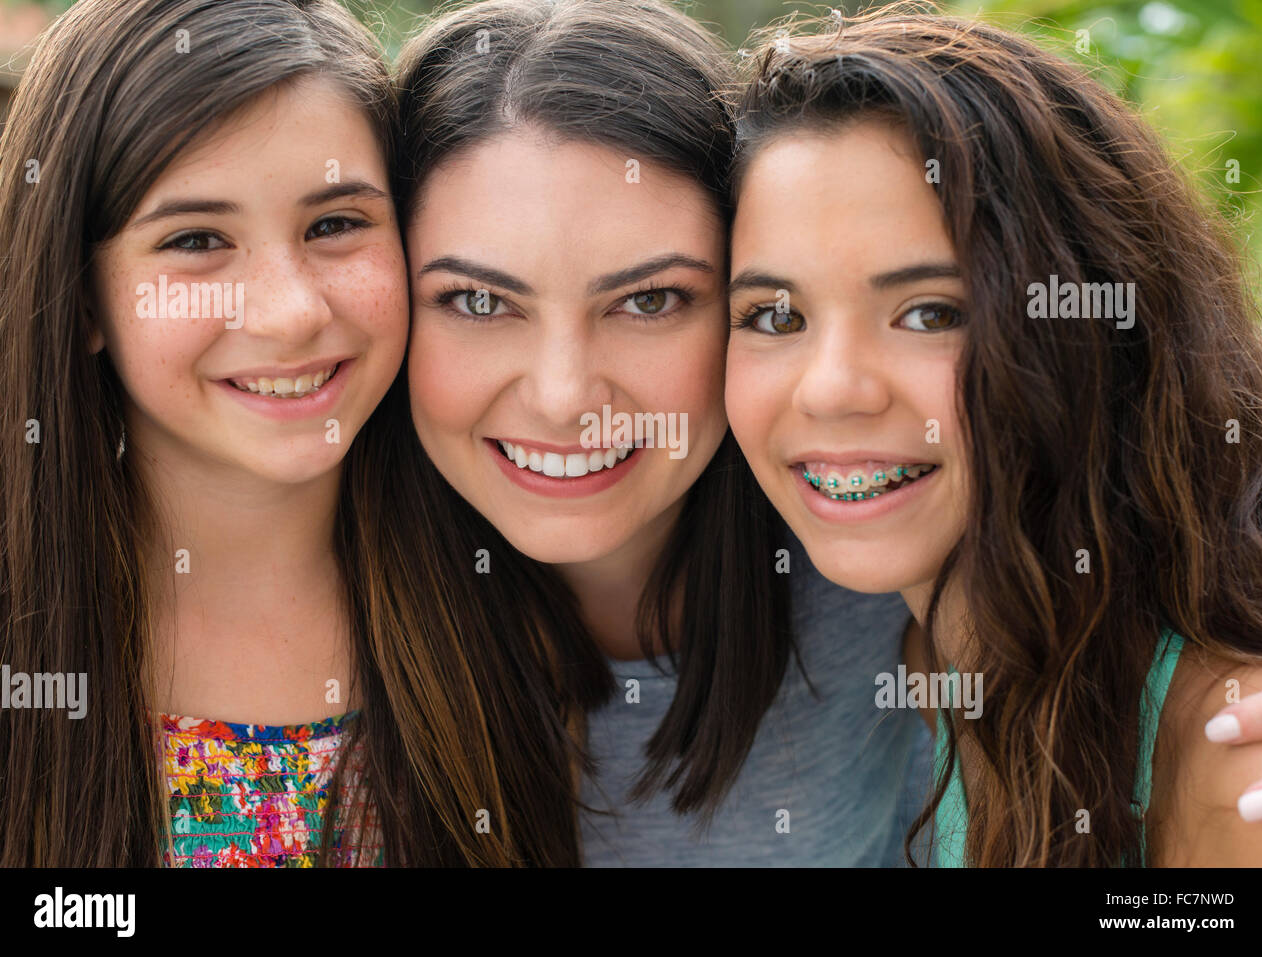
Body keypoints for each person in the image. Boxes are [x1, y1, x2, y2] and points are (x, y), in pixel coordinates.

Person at [0, 0, 575, 867]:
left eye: (335, 224)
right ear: (81, 297)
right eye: (196, 240)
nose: (293, 311)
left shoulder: (524, 603)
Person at [726, 8, 1262, 865]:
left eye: (930, 312)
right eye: (773, 314)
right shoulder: (908, 643)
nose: (833, 387)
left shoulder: (1238, 760)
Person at [395, 0, 932, 865]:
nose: (566, 397)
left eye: (649, 301)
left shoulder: (869, 540)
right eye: (481, 301)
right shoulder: (310, 612)